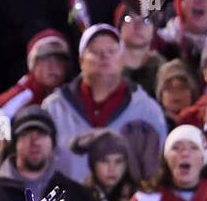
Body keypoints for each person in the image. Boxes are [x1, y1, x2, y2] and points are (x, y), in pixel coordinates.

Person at [42, 23, 168, 186]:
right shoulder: (53, 109)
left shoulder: (148, 111)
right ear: (81, 60)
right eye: (95, 51)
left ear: (122, 60)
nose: (105, 57)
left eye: (112, 51)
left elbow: (157, 173)